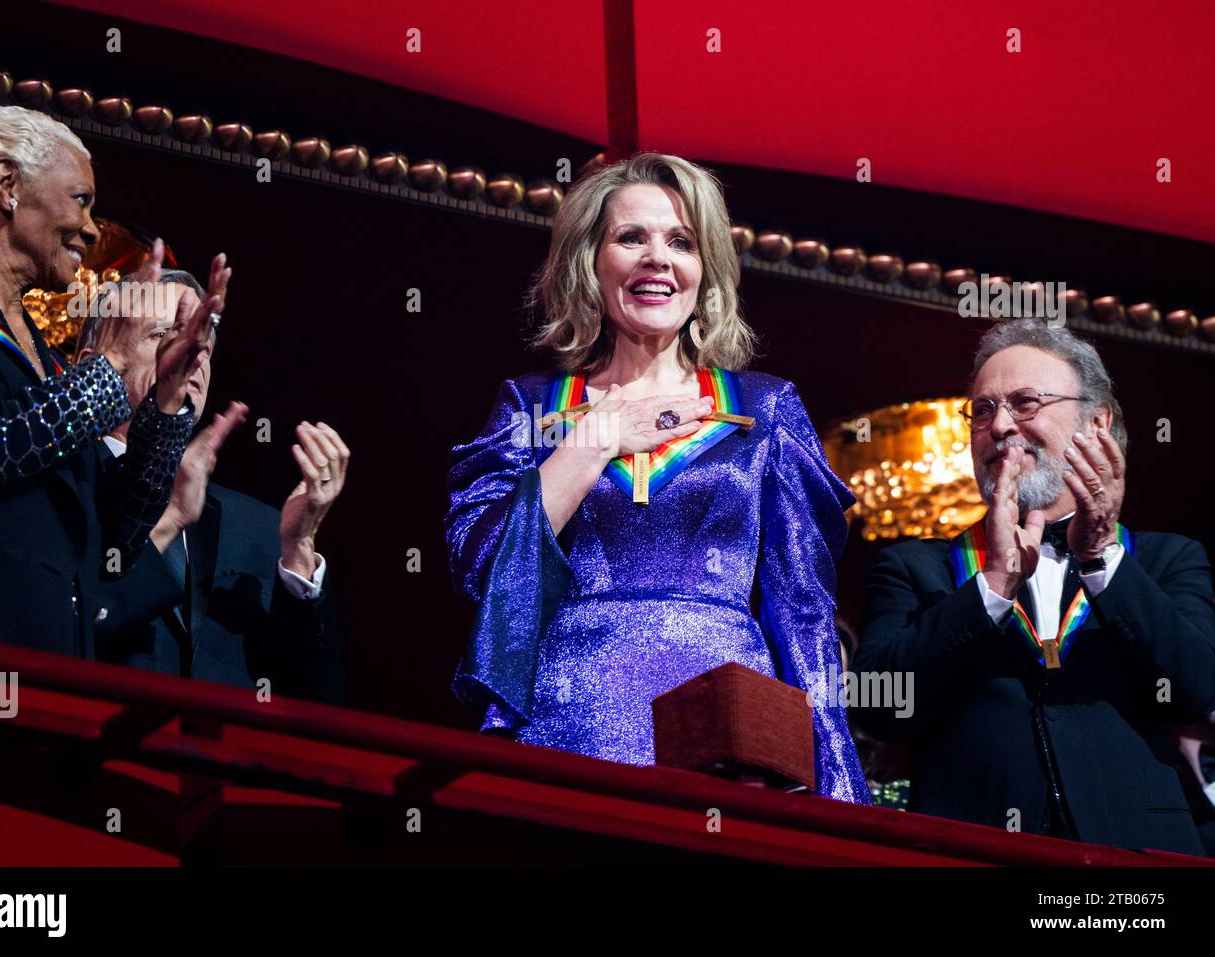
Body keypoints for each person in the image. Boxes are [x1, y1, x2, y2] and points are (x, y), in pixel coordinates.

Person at [444, 152, 869, 802]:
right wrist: (591, 441)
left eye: (681, 242)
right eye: (631, 237)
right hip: (568, 727)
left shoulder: (765, 408)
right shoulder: (530, 407)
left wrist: (837, 784)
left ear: (706, 269)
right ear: (591, 260)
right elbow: (482, 571)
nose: (657, 258)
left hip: (726, 742)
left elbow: (803, 612)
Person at [851, 318, 1215, 853]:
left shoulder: (1165, 560)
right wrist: (992, 587)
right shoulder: (914, 568)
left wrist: (1102, 561)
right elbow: (876, 706)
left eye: (1024, 403)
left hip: (1134, 862)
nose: (999, 427)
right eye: (982, 410)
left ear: (1095, 421)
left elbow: (1199, 691)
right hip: (970, 850)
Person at [0, 106, 225, 656]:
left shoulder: (45, 358)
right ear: (7, 184)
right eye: (81, 200)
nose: (89, 227)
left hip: (56, 665)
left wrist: (168, 399)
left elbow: (121, 534)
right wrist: (105, 371)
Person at [76, 266, 347, 703]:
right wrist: (167, 521)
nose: (193, 353)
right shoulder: (58, 490)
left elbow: (315, 702)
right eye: (162, 334)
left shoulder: (265, 530)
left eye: (203, 339)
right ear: (95, 369)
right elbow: (64, 631)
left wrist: (298, 554)